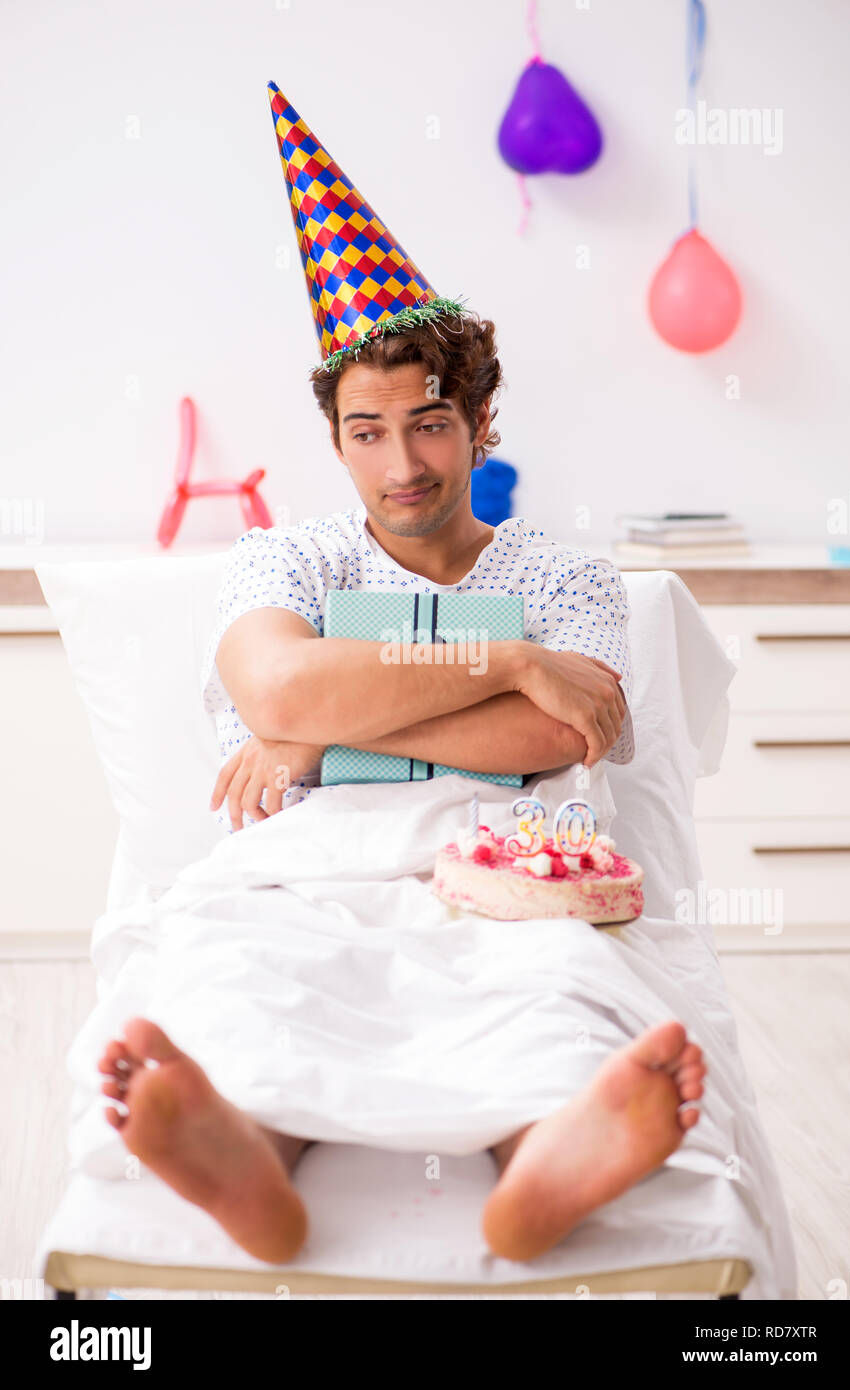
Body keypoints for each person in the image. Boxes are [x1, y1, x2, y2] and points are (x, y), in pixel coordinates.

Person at [96, 87, 706, 1267]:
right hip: (304, 862)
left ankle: (544, 1162)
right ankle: (248, 1158)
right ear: (337, 441)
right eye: (367, 431)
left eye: (429, 423)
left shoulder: (567, 571)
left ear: (480, 421)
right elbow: (276, 691)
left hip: (512, 866)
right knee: (254, 981)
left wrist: (328, 726)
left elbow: (548, 742)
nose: (402, 462)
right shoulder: (288, 555)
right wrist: (508, 655)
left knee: (546, 992)